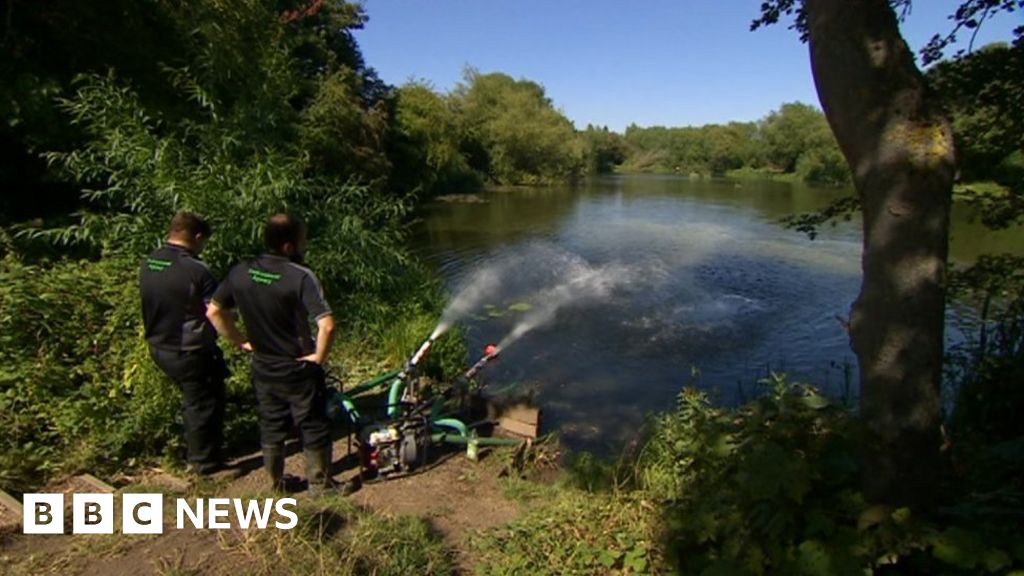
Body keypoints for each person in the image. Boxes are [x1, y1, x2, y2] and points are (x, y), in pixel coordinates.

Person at [206, 213, 351, 495]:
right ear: (288, 246)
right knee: (313, 424)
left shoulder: (240, 271)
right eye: (302, 240)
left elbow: (213, 311)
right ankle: (320, 485)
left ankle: (275, 484)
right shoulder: (300, 276)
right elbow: (327, 325)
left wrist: (240, 342)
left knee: (271, 425)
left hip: (263, 364)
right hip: (298, 367)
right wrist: (318, 359)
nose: (304, 245)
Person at [140, 212, 231, 475]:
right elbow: (216, 311)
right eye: (203, 242)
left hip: (159, 345)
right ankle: (204, 464)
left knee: (194, 401)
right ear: (198, 237)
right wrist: (239, 338)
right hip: (189, 349)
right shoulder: (195, 269)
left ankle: (199, 453)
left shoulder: (151, 262)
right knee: (204, 403)